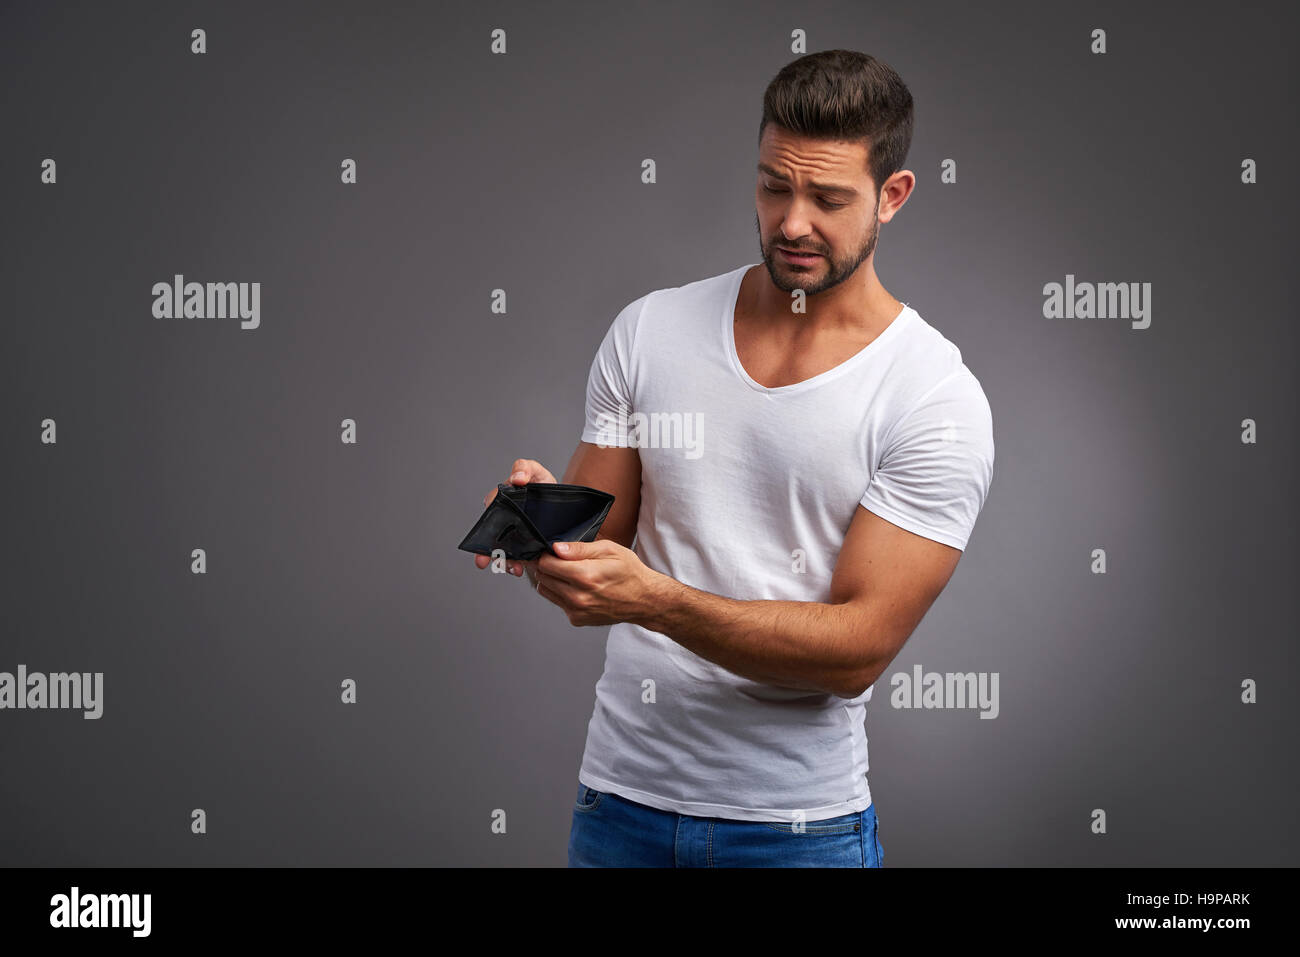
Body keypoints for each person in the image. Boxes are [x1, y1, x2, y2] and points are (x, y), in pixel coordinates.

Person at [472, 49, 995, 867]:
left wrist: (657, 600)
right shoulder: (649, 330)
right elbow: (592, 577)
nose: (792, 221)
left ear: (892, 196)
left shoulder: (933, 396)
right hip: (618, 807)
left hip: (799, 832)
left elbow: (857, 650)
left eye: (827, 198)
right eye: (773, 186)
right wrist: (542, 537)